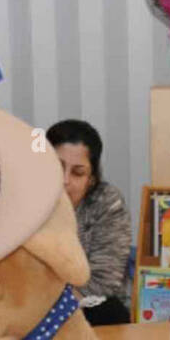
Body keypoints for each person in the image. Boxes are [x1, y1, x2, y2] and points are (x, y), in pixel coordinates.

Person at [46, 120, 133, 325]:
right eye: (58, 167)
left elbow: (104, 281)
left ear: (91, 179)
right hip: (27, 304)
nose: (65, 180)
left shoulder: (107, 202)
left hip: (84, 305)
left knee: (110, 311)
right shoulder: (21, 202)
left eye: (77, 173)